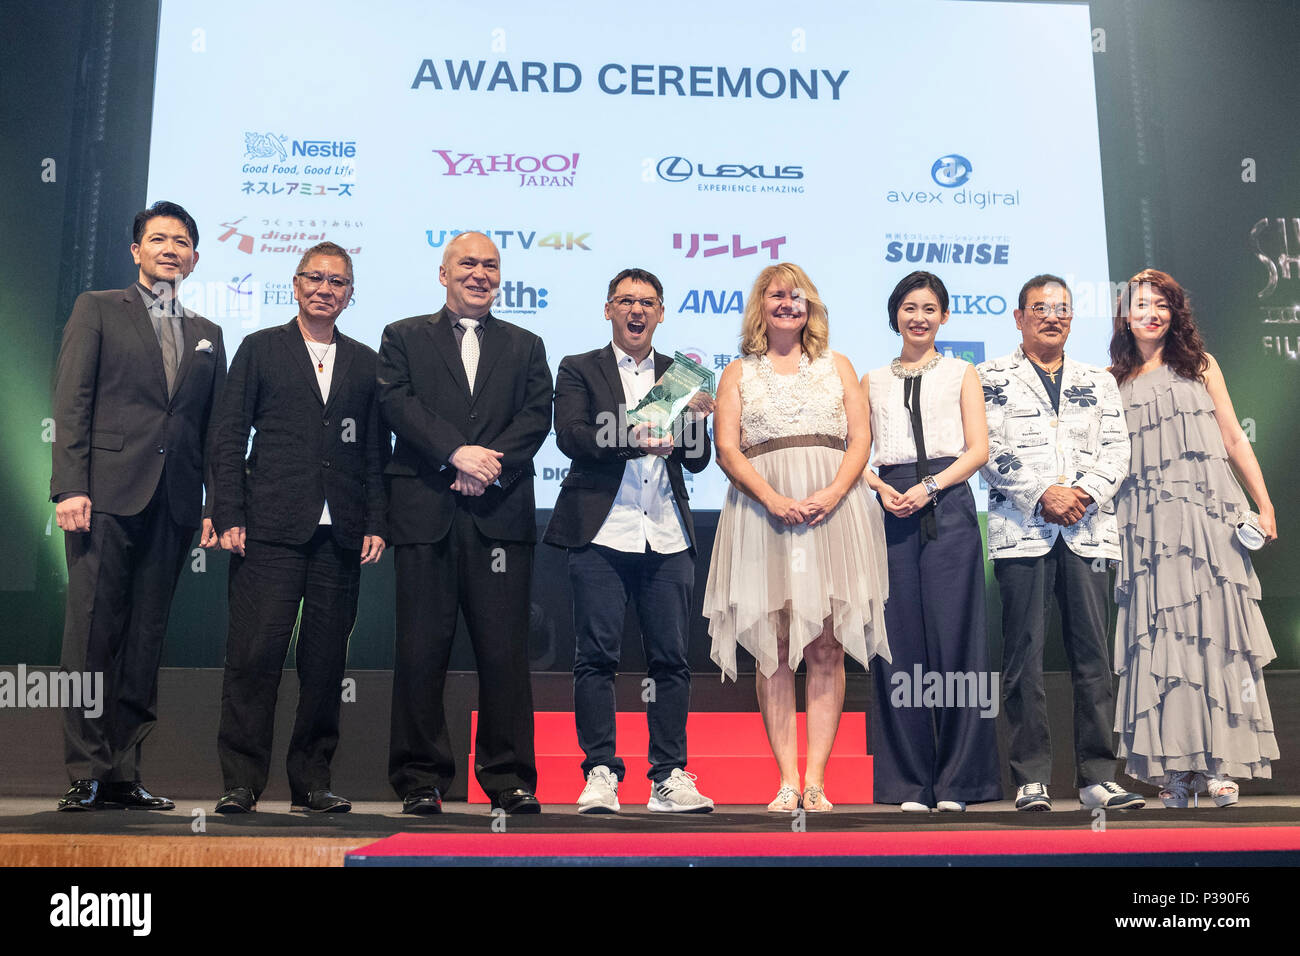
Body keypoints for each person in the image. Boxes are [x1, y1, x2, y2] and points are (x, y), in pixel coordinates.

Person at [50, 200, 227, 811]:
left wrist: (213, 501)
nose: (170, 249)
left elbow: (212, 429)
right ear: (136, 251)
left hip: (174, 505)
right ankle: (86, 770)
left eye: (181, 240)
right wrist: (69, 485)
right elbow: (71, 401)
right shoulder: (98, 309)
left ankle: (123, 771)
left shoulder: (208, 333)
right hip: (103, 497)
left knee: (145, 639)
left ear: (195, 256)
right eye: (158, 239)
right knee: (93, 636)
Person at [209, 242, 387, 814]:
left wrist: (376, 521)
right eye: (315, 278)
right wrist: (229, 512)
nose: (325, 289)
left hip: (341, 534)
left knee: (325, 662)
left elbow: (376, 453)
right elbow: (230, 435)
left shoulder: (366, 361)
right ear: (294, 284)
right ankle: (241, 781)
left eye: (337, 282)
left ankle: (312, 781)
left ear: (350, 293)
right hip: (268, 528)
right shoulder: (261, 348)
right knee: (254, 655)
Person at [703, 262, 889, 812]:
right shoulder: (737, 373)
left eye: (799, 296)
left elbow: (861, 441)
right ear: (761, 305)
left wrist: (831, 494)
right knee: (775, 650)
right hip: (764, 515)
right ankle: (786, 780)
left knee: (827, 648)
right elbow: (727, 450)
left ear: (812, 307)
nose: (789, 304)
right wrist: (773, 498)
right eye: (778, 295)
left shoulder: (839, 365)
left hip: (832, 514)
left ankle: (817, 782)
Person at [379, 231, 552, 815]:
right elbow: (398, 405)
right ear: (443, 273)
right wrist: (456, 453)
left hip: (499, 516)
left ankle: (509, 779)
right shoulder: (402, 336)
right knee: (421, 650)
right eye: (468, 264)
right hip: (425, 512)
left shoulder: (527, 344)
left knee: (504, 654)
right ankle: (420, 779)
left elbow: (535, 418)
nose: (480, 273)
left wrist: (488, 464)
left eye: (490, 265)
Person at [544, 268, 716, 814]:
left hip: (666, 531)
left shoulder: (682, 374)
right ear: (608, 309)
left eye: (647, 302)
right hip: (602, 530)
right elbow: (571, 437)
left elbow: (697, 459)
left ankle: (669, 775)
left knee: (672, 660)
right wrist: (630, 436)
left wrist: (694, 425)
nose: (636, 311)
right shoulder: (579, 367)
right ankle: (600, 771)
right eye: (625, 301)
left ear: (661, 313)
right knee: (595, 657)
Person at [1108, 268, 1279, 808]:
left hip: (1209, 520)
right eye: (1141, 304)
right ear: (1124, 314)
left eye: (1161, 304)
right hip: (1146, 527)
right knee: (1162, 643)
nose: (1151, 313)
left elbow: (1232, 436)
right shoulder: (1113, 379)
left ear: (1174, 312)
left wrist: (1264, 503)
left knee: (1217, 637)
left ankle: (1221, 765)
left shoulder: (1201, 367)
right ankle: (1174, 770)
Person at [978, 274, 1143, 812]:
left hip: (1089, 532)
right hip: (1022, 532)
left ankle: (1098, 775)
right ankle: (1031, 778)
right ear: (1019, 316)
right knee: (1023, 657)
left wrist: (1082, 495)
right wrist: (1042, 494)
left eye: (1063, 309)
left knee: (1094, 657)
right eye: (1041, 308)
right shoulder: (987, 377)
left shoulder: (1098, 380)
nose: (1053, 316)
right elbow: (986, 449)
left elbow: (1117, 452)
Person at [862, 271, 1000, 812]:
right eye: (908, 307)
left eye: (929, 308)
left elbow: (979, 450)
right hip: (889, 505)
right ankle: (907, 784)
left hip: (949, 503)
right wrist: (878, 488)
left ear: (944, 316)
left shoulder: (962, 372)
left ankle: (961, 784)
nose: (918, 317)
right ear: (895, 313)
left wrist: (929, 488)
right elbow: (859, 452)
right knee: (896, 646)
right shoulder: (871, 380)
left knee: (958, 643)